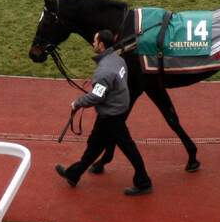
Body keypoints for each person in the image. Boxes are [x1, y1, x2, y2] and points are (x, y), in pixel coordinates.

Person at [55, 29, 153, 196]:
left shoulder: (104, 71)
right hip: (115, 111)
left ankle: (143, 182)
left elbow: (96, 97)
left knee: (128, 148)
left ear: (101, 45)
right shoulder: (118, 60)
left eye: (94, 41)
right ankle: (74, 174)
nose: (92, 44)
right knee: (94, 145)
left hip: (111, 116)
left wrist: (77, 103)